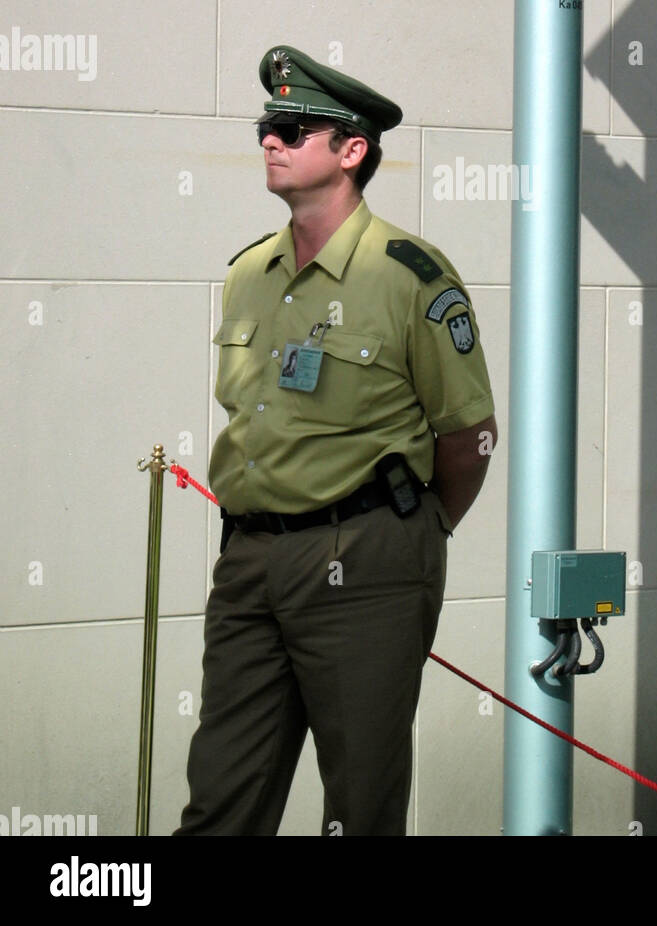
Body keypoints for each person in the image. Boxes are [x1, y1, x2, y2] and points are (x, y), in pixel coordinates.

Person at [176, 45, 497, 836]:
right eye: (265, 127)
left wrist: (413, 532)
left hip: (366, 557)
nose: (270, 141)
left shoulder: (407, 275)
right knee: (222, 802)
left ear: (352, 151)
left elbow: (470, 435)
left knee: (358, 806)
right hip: (250, 562)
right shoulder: (249, 272)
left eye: (291, 127)